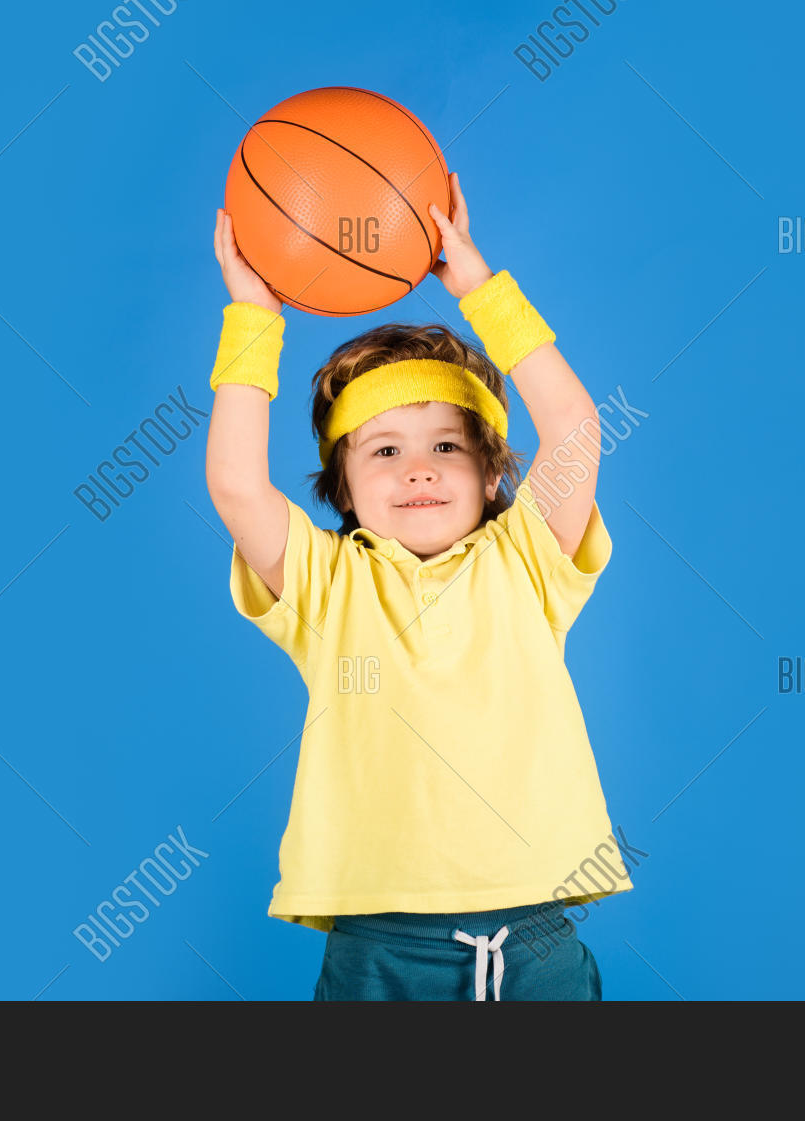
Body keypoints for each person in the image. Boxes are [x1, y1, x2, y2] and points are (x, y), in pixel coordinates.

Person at [205, 171, 631, 1000]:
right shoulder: (326, 584)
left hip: (536, 939)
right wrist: (255, 319)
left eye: (447, 446)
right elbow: (235, 484)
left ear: (490, 470)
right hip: (380, 948)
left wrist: (478, 287)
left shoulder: (529, 560)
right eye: (385, 450)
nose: (418, 472)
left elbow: (576, 429)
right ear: (343, 484)